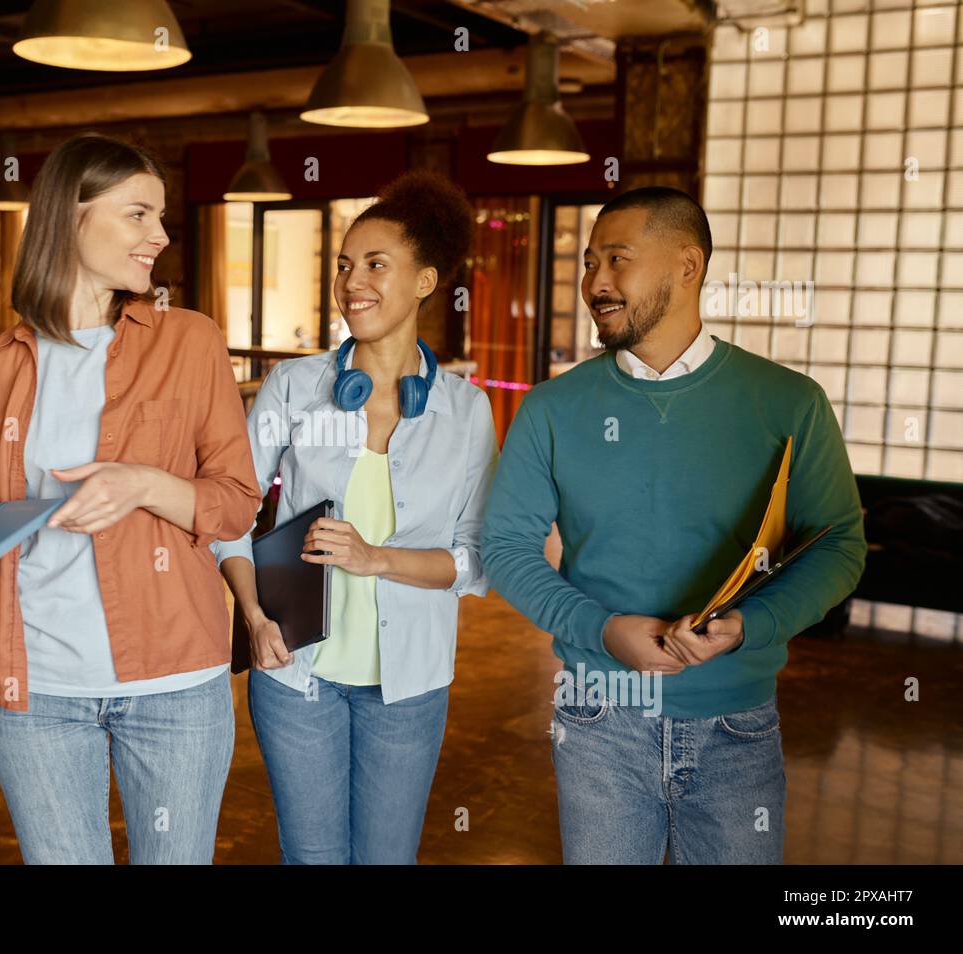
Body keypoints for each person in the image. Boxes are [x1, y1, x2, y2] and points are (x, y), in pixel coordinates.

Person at [481, 186, 867, 864]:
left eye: (617, 260)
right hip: (597, 712)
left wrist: (752, 623)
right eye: (590, 263)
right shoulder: (552, 408)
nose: (596, 282)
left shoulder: (788, 402)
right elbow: (506, 547)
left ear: (687, 266)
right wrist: (601, 629)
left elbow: (839, 542)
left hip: (737, 719)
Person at [0, 132, 262, 864]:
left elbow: (237, 502)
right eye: (138, 215)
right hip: (36, 690)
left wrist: (144, 484)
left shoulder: (190, 340)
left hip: (176, 684)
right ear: (71, 216)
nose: (161, 235)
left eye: (160, 217)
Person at [211, 171, 500, 864]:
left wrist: (379, 560)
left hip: (409, 689)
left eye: (375, 264)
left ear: (427, 281)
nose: (352, 281)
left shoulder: (466, 411)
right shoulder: (293, 385)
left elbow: (476, 559)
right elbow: (228, 511)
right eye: (344, 265)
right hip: (294, 678)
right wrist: (252, 617)